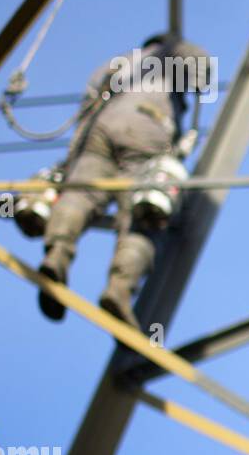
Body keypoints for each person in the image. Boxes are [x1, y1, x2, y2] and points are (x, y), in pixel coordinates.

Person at [36, 33, 209, 328]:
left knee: (80, 195)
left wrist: (71, 160)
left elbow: (88, 100)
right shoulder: (171, 50)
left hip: (101, 128)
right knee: (144, 214)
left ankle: (57, 256)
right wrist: (195, 79)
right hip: (148, 126)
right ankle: (119, 290)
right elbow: (200, 69)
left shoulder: (120, 63)